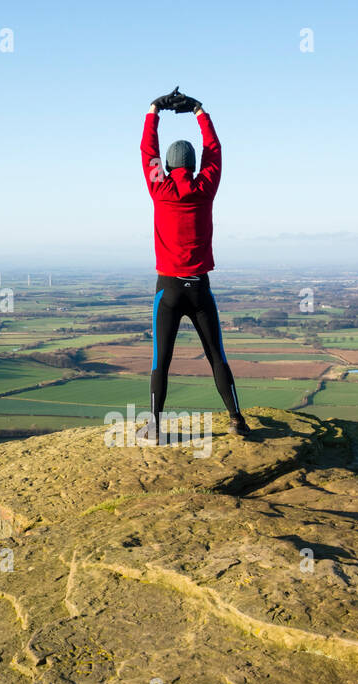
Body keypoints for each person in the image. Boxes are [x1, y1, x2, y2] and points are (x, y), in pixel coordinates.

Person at [142, 87, 251, 439]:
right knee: (217, 356)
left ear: (169, 166)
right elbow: (215, 152)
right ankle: (237, 420)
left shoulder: (160, 188)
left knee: (162, 360)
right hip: (200, 288)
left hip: (169, 289)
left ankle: (155, 425)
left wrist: (154, 109)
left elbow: (148, 152)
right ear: (192, 165)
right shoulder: (206, 186)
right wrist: (200, 112)